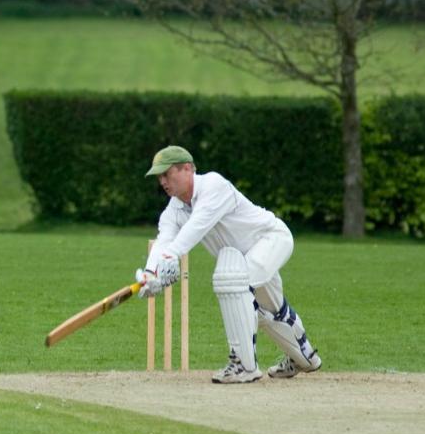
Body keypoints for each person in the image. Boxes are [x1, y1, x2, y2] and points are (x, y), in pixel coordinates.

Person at [137, 146, 322, 384]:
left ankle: (243, 365)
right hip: (243, 258)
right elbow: (164, 238)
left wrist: (171, 256)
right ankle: (304, 357)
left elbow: (197, 226)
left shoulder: (213, 185)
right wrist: (151, 274)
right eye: (159, 177)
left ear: (187, 168)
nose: (162, 181)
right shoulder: (174, 208)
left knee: (232, 281)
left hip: (271, 239)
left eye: (166, 174)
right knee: (270, 309)